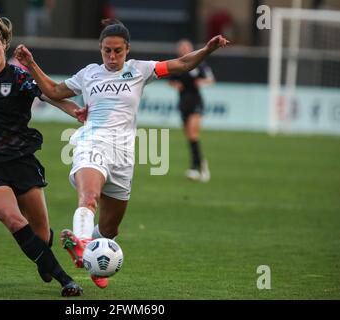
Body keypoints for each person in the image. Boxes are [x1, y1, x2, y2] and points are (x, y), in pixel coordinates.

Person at [14, 19, 229, 289]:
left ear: (127, 49)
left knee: (110, 229)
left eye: (117, 50)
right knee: (89, 198)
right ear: (100, 49)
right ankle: (80, 244)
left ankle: (93, 253)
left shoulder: (140, 70)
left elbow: (182, 64)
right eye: (107, 50)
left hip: (123, 155)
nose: (112, 56)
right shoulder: (89, 73)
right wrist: (31, 64)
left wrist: (207, 49)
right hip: (92, 142)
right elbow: (55, 90)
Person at [0, 12, 85, 296]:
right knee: (14, 221)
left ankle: (45, 257)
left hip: (21, 160)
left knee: (41, 236)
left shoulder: (19, 76)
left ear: (4, 43)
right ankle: (66, 280)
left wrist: (76, 111)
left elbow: (49, 96)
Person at [169, 39, 215, 182]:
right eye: (181, 47)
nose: (183, 50)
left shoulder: (199, 63)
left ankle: (194, 167)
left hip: (196, 101)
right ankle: (201, 163)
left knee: (193, 132)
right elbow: (171, 80)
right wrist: (175, 84)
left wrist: (202, 82)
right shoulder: (177, 65)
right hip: (183, 102)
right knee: (190, 136)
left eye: (186, 47)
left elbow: (211, 79)